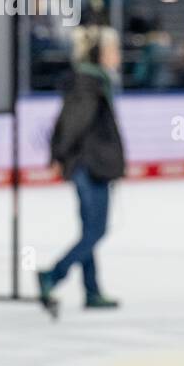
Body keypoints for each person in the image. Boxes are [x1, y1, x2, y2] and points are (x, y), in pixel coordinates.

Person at [38, 25, 126, 310]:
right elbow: (73, 123)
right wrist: (60, 155)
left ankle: (91, 290)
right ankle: (53, 274)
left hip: (90, 164)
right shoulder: (89, 82)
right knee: (96, 230)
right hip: (89, 166)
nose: (118, 55)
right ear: (98, 52)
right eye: (113, 50)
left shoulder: (92, 80)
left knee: (90, 228)